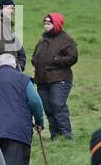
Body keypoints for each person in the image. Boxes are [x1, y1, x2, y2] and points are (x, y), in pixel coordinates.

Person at [31, 12, 77, 140]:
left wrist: (56, 60)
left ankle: (66, 135)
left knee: (58, 105)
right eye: (45, 23)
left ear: (56, 24)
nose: (45, 26)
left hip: (60, 79)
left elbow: (73, 57)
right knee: (48, 108)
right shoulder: (43, 39)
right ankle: (55, 136)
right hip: (42, 81)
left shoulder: (66, 40)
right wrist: (36, 61)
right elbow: (35, 56)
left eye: (49, 23)